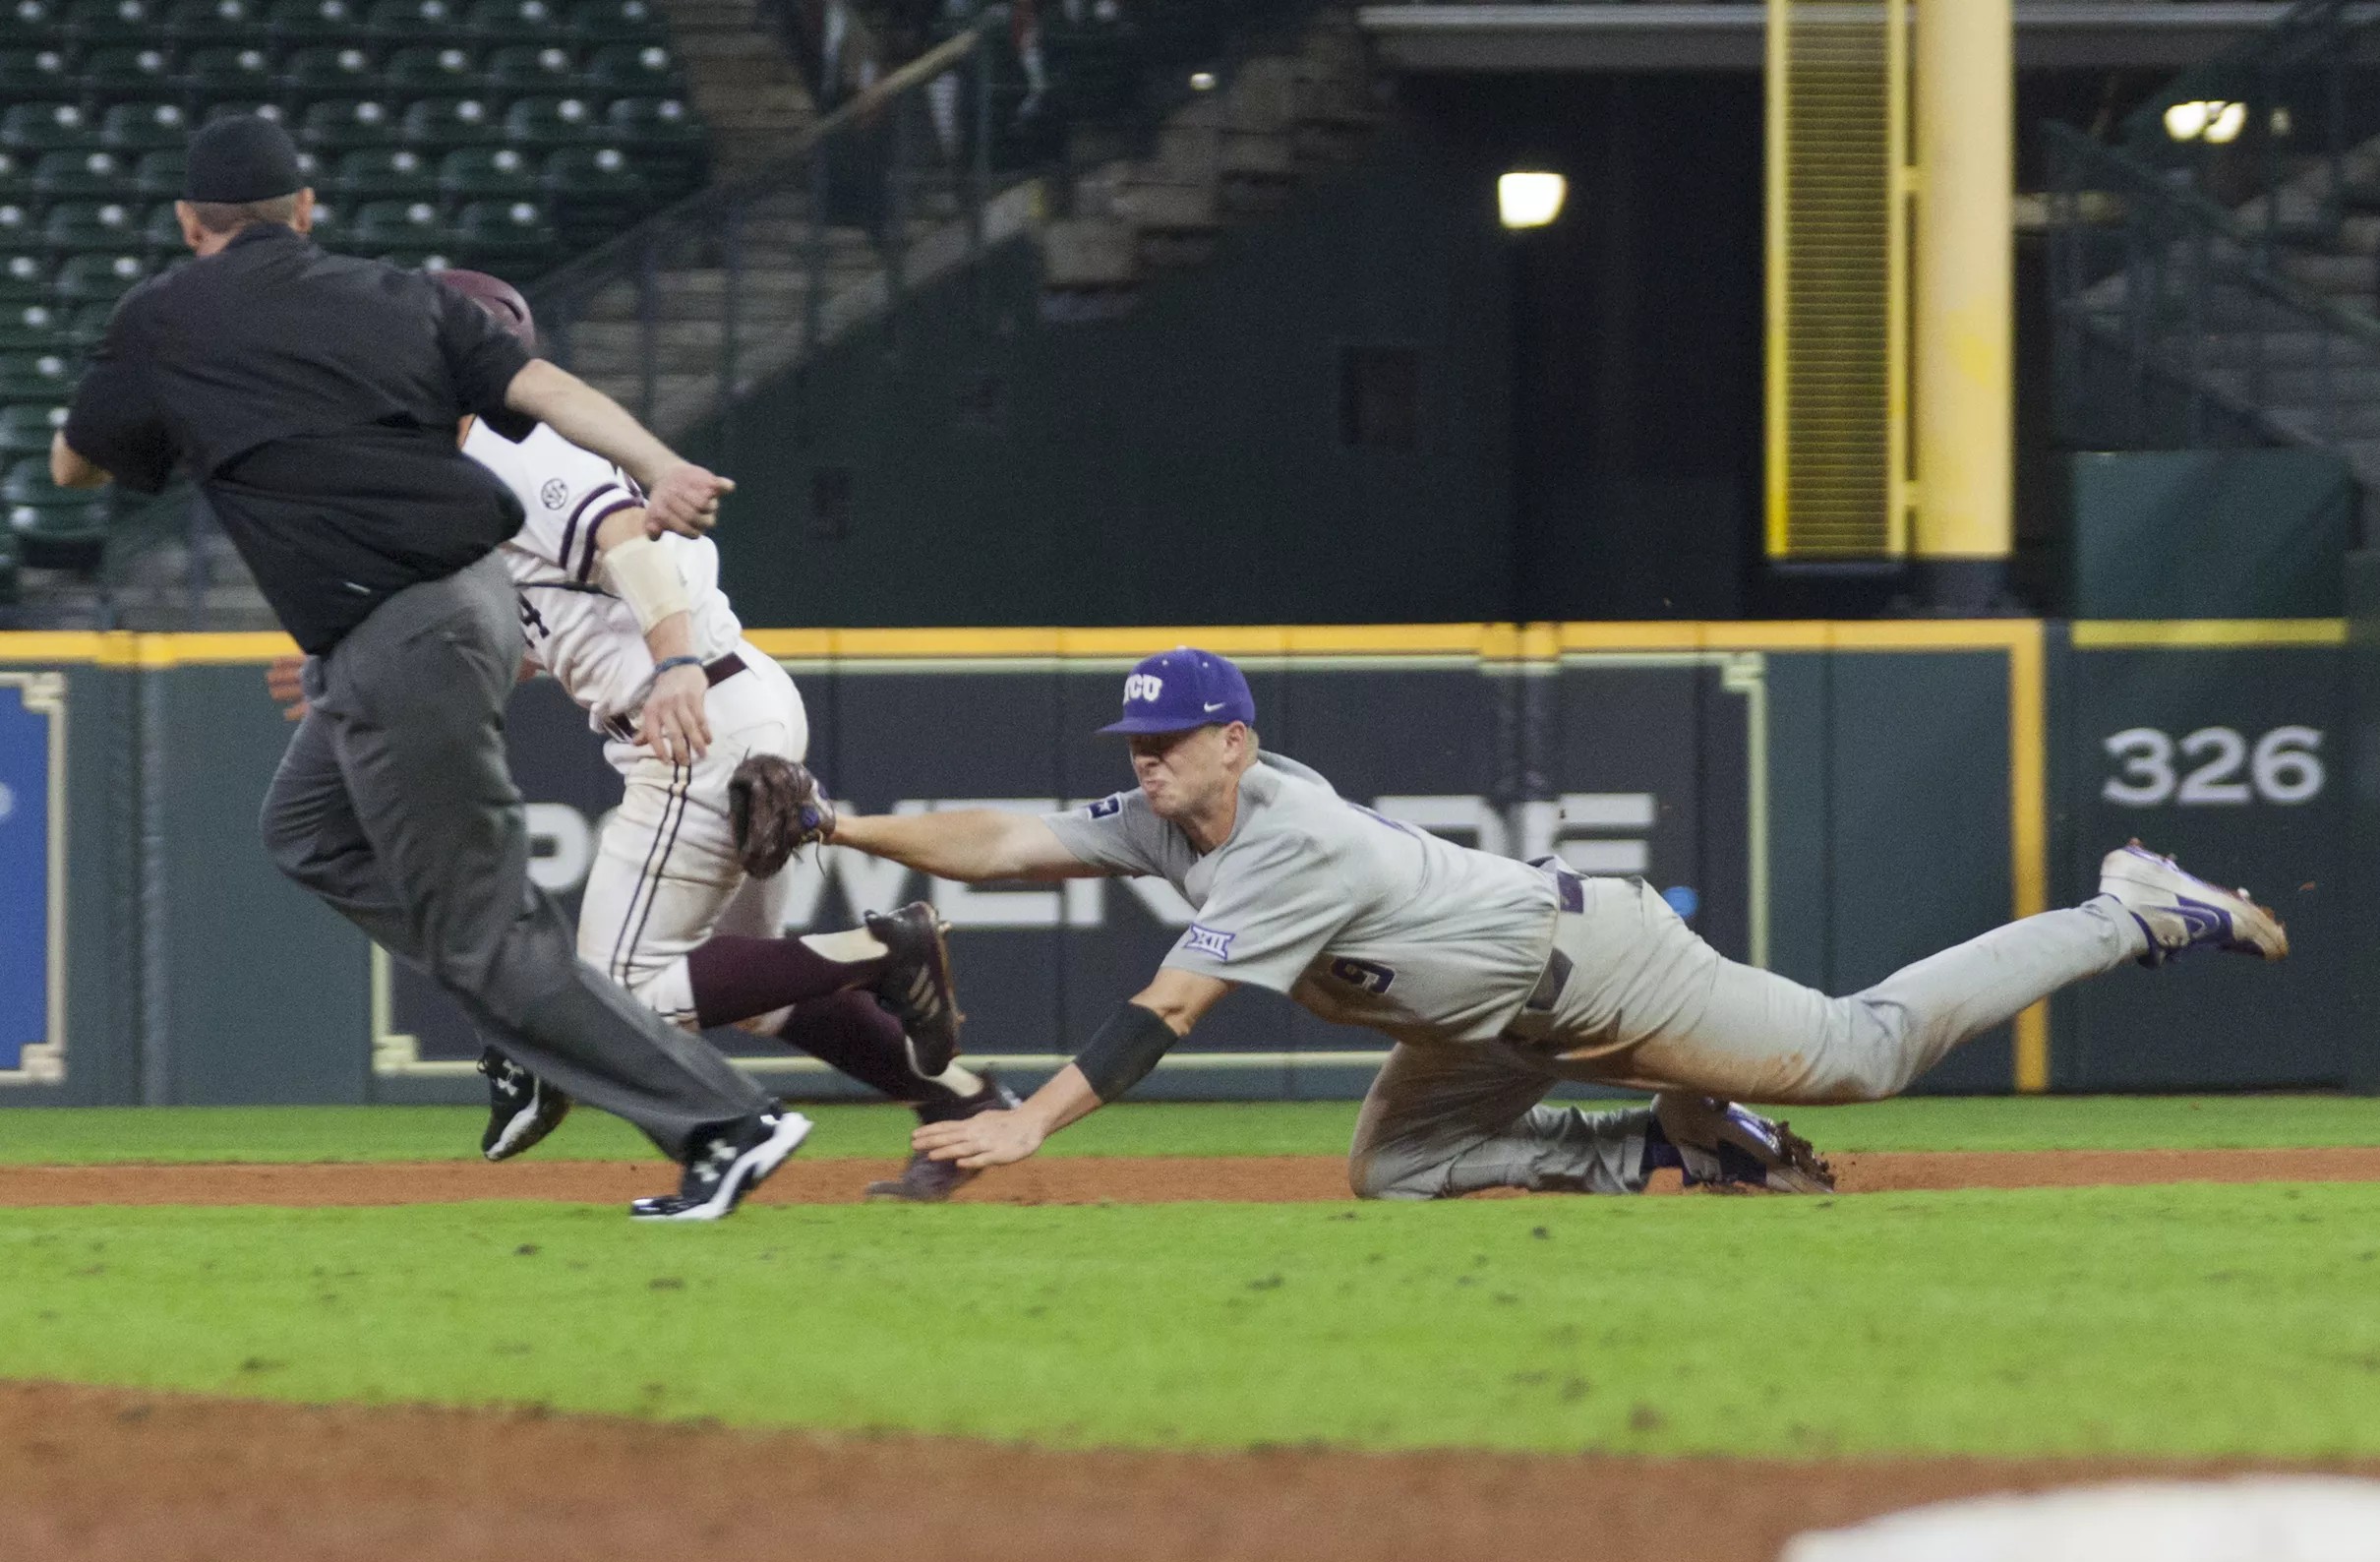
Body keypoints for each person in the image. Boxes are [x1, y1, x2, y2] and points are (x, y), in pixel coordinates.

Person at [51, 115, 802, 1220]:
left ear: (185, 223)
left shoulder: (165, 317)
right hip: (421, 621)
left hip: (413, 620)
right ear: (306, 210)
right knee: (305, 827)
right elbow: (543, 386)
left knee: (489, 934)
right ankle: (521, 991)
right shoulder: (395, 293)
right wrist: (657, 457)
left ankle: (723, 1123)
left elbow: (76, 462)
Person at [799, 646, 2288, 1199]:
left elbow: (1166, 1012)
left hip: (1601, 971)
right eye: (1136, 743)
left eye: (1172, 741)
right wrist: (834, 825)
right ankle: (1670, 1145)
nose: (1145, 762)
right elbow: (1000, 841)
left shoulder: (1283, 837)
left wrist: (1028, 1128)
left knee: (1865, 1049)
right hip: (1477, 1023)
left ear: (1235, 740)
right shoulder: (1172, 818)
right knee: (1396, 1173)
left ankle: (2132, 911)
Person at [268, 270, 1017, 1202]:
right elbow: (544, 630)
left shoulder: (523, 450)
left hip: (695, 716)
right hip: (734, 702)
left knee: (613, 996)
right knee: (762, 990)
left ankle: (883, 954)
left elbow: (621, 530)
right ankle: (962, 1102)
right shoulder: (469, 463)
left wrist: (671, 666)